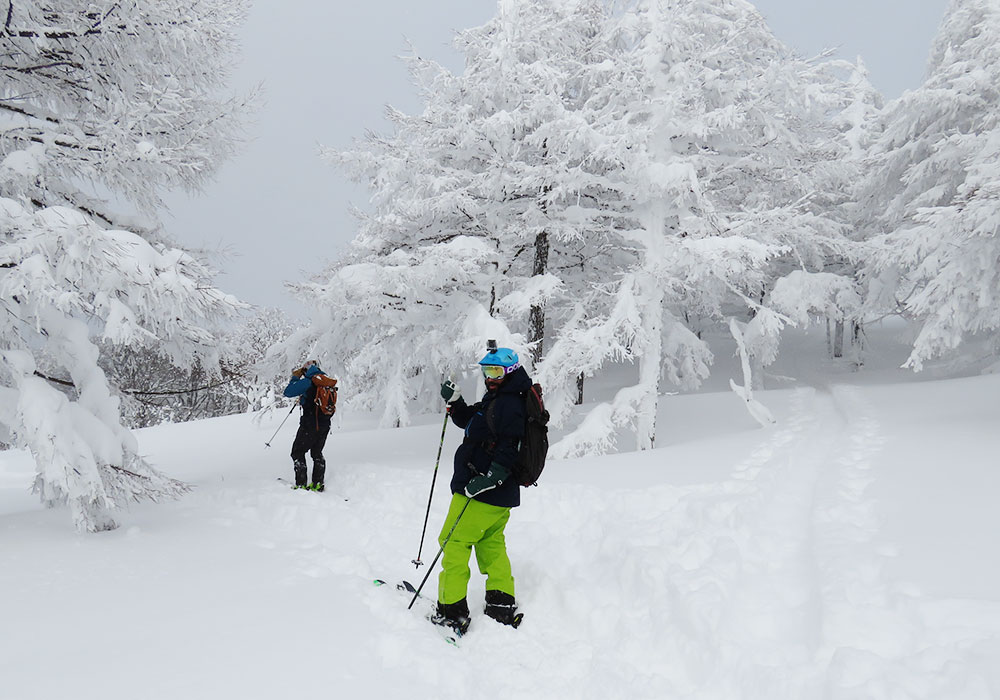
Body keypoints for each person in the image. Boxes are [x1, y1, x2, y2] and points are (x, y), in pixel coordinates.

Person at [433, 346, 530, 634]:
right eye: (487, 371)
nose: (490, 377)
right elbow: (474, 421)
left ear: (510, 371)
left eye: (496, 371)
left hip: (481, 492)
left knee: (453, 542)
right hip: (499, 497)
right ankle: (501, 604)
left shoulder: (509, 404)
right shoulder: (501, 397)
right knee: (491, 544)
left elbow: (509, 448)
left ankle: (452, 611)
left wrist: (488, 479)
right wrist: (457, 401)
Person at [283, 360, 332, 491]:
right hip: (324, 425)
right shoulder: (325, 381)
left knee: (297, 452)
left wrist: (295, 377)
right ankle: (318, 483)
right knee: (317, 453)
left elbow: (287, 392)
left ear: (306, 371)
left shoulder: (308, 382)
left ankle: (301, 485)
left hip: (309, 425)